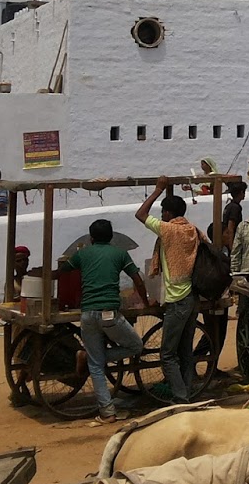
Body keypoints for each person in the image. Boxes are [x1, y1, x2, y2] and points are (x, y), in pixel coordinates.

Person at [57, 218, 149, 424]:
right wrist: (146, 301)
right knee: (136, 345)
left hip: (88, 314)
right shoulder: (120, 254)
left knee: (96, 363)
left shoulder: (82, 254)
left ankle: (108, 413)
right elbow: (137, 279)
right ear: (111, 237)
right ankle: (92, 357)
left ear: (90, 238)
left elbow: (62, 271)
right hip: (110, 313)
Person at [136, 178, 202, 404]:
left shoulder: (169, 230)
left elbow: (141, 214)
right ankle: (186, 395)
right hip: (191, 298)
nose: (161, 215)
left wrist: (157, 190)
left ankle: (181, 398)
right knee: (185, 353)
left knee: (167, 355)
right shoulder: (192, 230)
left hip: (177, 300)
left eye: (163, 211)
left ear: (167, 213)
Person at [218, 179, 247, 255]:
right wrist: (232, 248)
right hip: (232, 242)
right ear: (241, 192)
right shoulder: (235, 208)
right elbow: (230, 227)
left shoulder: (229, 206)